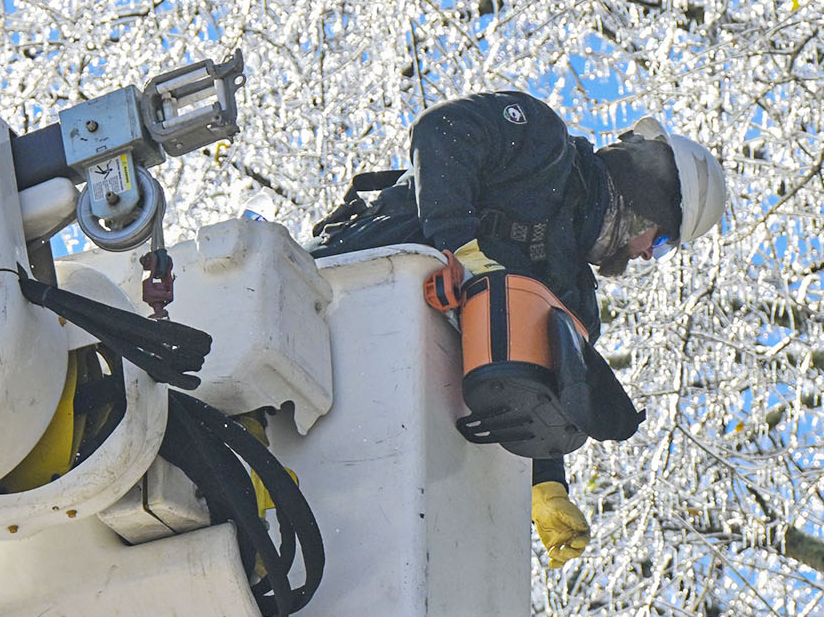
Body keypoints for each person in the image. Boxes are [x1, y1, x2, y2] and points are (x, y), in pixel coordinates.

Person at [310, 90, 727, 564]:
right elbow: (442, 131)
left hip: (392, 406)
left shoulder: (570, 299)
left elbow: (538, 393)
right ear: (648, 202)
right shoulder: (539, 146)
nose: (651, 255)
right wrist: (459, 244)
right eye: (665, 239)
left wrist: (547, 483)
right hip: (340, 298)